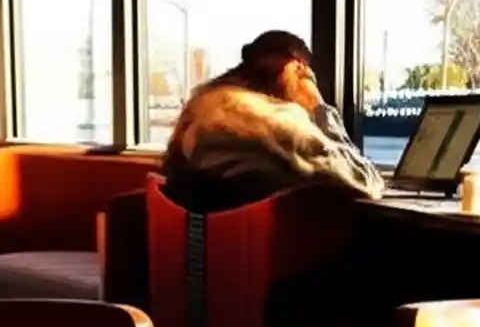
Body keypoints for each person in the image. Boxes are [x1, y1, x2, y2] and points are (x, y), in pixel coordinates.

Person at [162, 30, 385, 211]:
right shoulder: (274, 121)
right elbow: (363, 180)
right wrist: (318, 106)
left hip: (211, 250)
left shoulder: (200, 110)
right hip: (273, 258)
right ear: (297, 68)